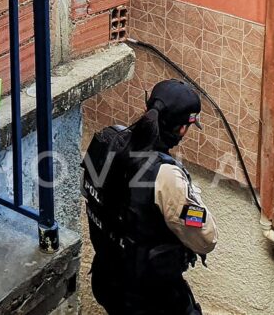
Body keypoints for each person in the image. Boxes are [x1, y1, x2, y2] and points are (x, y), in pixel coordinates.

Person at [82, 79, 217, 315]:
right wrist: (189, 194)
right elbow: (206, 237)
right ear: (183, 129)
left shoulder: (109, 139)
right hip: (150, 300)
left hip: (106, 280)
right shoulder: (166, 177)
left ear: (147, 109)